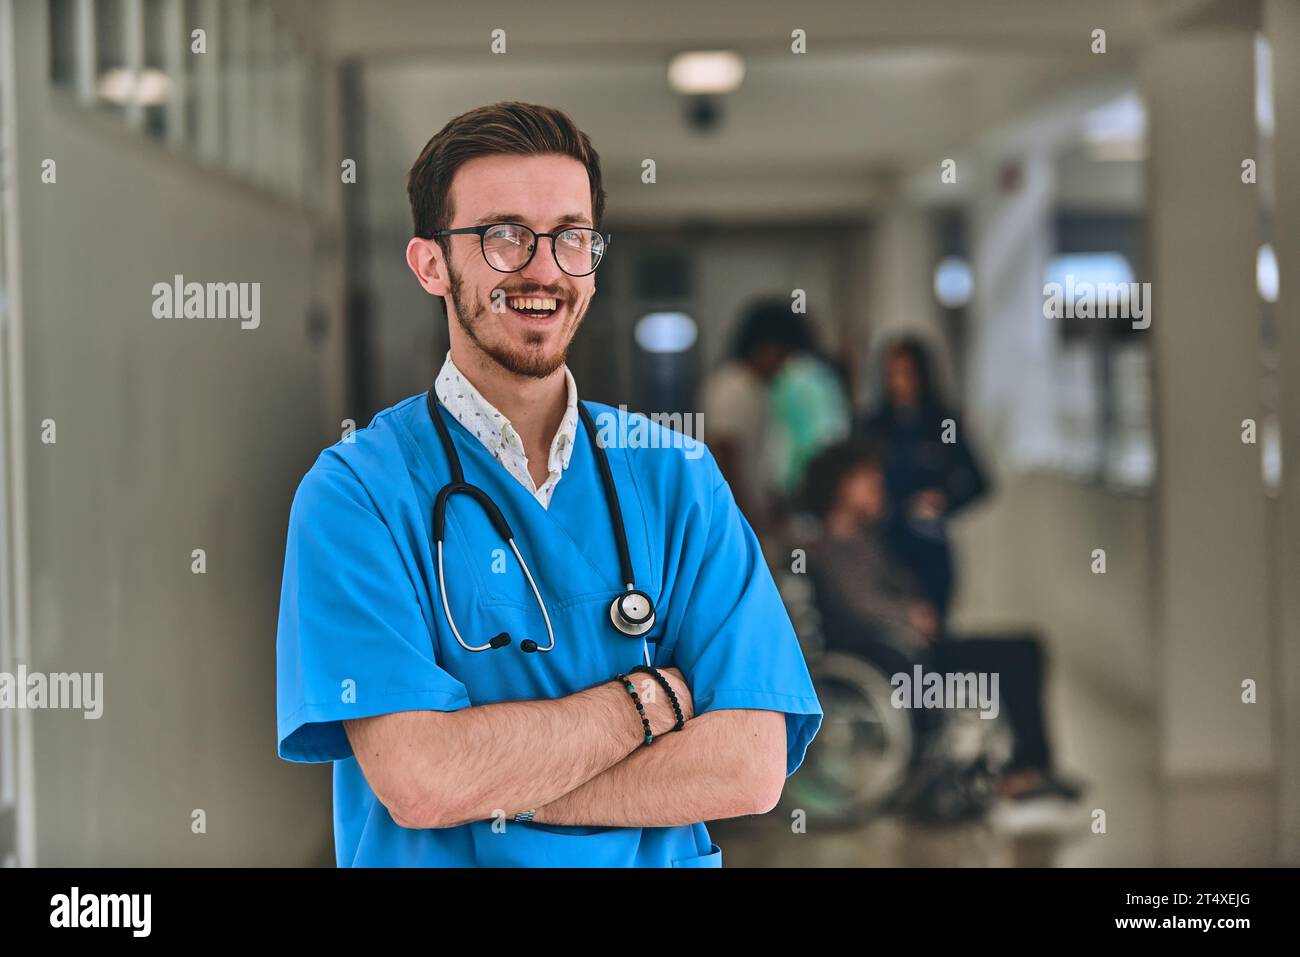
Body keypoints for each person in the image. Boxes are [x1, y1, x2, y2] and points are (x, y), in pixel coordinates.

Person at [274, 101, 822, 868]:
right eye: (503, 235)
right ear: (431, 264)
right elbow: (422, 780)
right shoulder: (357, 494)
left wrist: (493, 784)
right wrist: (644, 703)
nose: (543, 269)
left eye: (571, 237)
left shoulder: (678, 477)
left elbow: (750, 763)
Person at [802, 440, 1080, 802]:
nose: (878, 488)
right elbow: (858, 606)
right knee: (1014, 657)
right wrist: (909, 616)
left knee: (1025, 648)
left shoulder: (867, 541)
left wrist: (916, 611)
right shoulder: (824, 549)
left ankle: (1029, 768)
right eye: (867, 480)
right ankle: (1026, 771)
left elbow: (902, 587)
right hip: (885, 657)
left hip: (908, 648)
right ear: (841, 485)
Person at [860, 335, 988, 619]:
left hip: (928, 545)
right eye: (892, 374)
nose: (899, 382)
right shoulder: (874, 426)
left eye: (906, 373)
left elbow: (978, 481)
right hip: (883, 542)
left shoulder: (941, 423)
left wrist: (944, 501)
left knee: (931, 621)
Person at [700, 298, 808, 535]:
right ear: (761, 348)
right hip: (737, 518)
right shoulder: (731, 386)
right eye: (781, 355)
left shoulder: (757, 389)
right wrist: (746, 521)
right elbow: (726, 458)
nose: (782, 365)